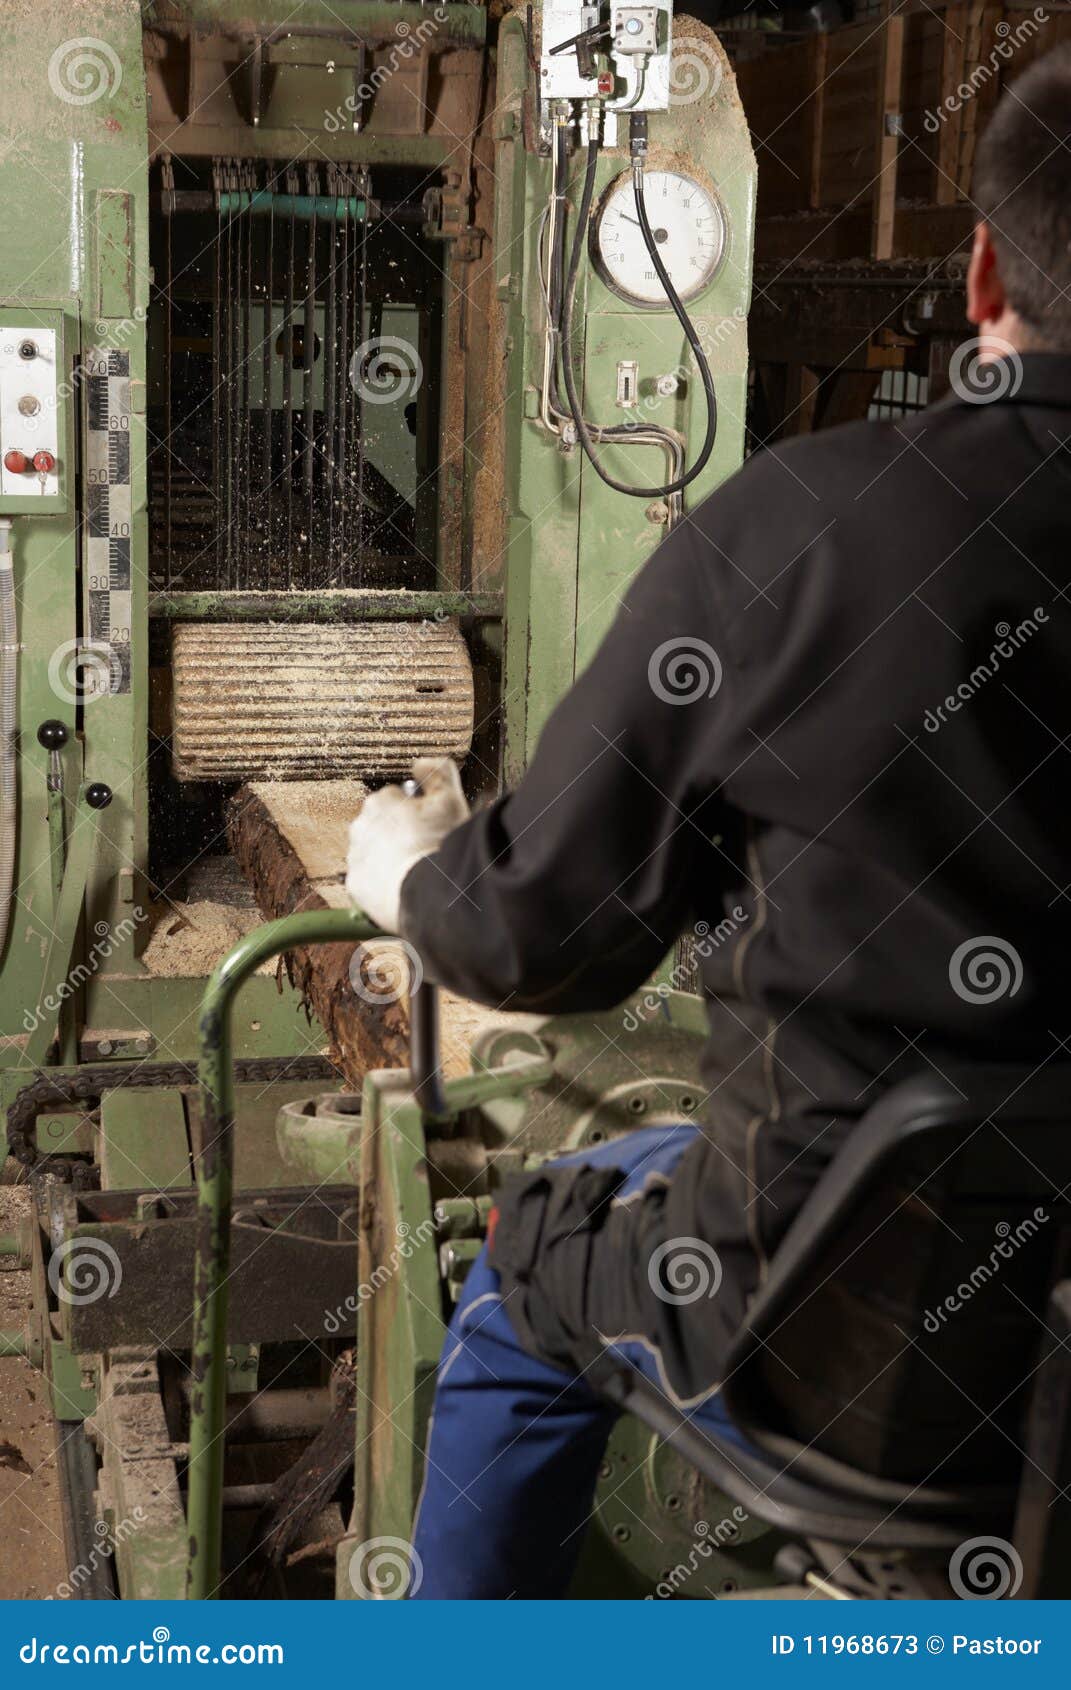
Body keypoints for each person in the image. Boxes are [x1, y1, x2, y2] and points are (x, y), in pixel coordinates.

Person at [346, 44, 1071, 1597]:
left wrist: (410, 879)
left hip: (827, 1347)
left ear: (987, 263)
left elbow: (544, 941)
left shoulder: (807, 526)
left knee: (527, 1271)